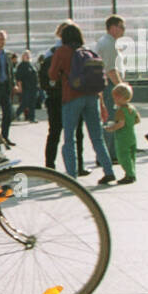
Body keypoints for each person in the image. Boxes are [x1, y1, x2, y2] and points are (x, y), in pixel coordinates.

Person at [48, 23, 115, 184]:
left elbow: (52, 75)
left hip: (71, 97)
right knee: (97, 137)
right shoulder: (88, 52)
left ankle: (72, 176)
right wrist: (101, 103)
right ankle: (108, 170)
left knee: (69, 138)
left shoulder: (62, 51)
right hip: (92, 97)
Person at [40, 22, 88, 174]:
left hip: (55, 98)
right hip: (75, 97)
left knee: (54, 132)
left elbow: (45, 78)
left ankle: (49, 167)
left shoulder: (51, 53)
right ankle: (78, 166)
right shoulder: (82, 53)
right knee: (77, 133)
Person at [95, 14, 125, 164]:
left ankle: (108, 154)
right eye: (121, 27)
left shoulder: (106, 41)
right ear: (113, 27)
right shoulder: (109, 44)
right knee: (111, 120)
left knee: (110, 119)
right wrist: (122, 89)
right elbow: (111, 70)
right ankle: (107, 156)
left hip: (107, 87)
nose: (123, 30)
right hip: (110, 87)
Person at [104, 82, 140, 184]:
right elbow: (137, 120)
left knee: (123, 156)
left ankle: (129, 175)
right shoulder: (132, 108)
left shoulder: (120, 111)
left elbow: (121, 124)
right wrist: (130, 123)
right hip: (132, 135)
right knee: (132, 156)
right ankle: (132, 172)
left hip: (122, 137)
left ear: (120, 97)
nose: (114, 100)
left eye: (114, 98)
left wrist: (111, 128)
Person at [0, 30, 14, 144]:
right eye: (1, 39)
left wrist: (12, 85)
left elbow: (10, 71)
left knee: (8, 113)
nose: (3, 42)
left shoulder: (6, 54)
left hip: (5, 88)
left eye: (4, 39)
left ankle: (5, 137)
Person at [14, 51, 38, 121]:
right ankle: (16, 114)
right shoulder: (21, 66)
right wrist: (19, 86)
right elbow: (18, 78)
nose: (27, 56)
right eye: (25, 55)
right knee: (25, 102)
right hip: (25, 87)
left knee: (32, 103)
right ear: (22, 57)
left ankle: (32, 117)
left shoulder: (31, 65)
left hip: (33, 87)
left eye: (28, 55)